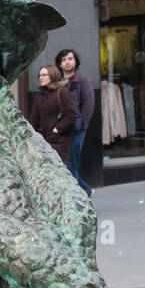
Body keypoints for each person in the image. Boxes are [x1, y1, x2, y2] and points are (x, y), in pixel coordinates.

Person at [55, 48, 95, 195]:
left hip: (76, 129)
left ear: (75, 61)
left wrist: (82, 126)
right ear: (59, 63)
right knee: (63, 165)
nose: (67, 62)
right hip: (60, 129)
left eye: (70, 59)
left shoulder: (82, 80)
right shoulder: (57, 81)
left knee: (70, 165)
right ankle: (85, 190)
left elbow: (88, 105)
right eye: (64, 59)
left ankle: (85, 191)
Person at [29, 64, 77, 159]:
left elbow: (71, 116)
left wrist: (56, 130)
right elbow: (34, 119)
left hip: (59, 141)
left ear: (53, 75)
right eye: (39, 75)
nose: (40, 78)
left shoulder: (62, 92)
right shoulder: (39, 95)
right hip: (43, 140)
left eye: (44, 75)